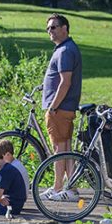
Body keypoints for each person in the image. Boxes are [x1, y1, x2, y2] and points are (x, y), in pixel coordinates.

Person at [39, 13, 83, 201]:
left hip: (60, 108)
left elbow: (65, 82)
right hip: (64, 107)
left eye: (53, 27)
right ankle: (68, 187)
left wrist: (53, 107)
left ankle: (60, 188)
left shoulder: (65, 51)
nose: (50, 31)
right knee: (65, 149)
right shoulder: (66, 48)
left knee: (59, 149)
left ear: (64, 28)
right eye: (48, 28)